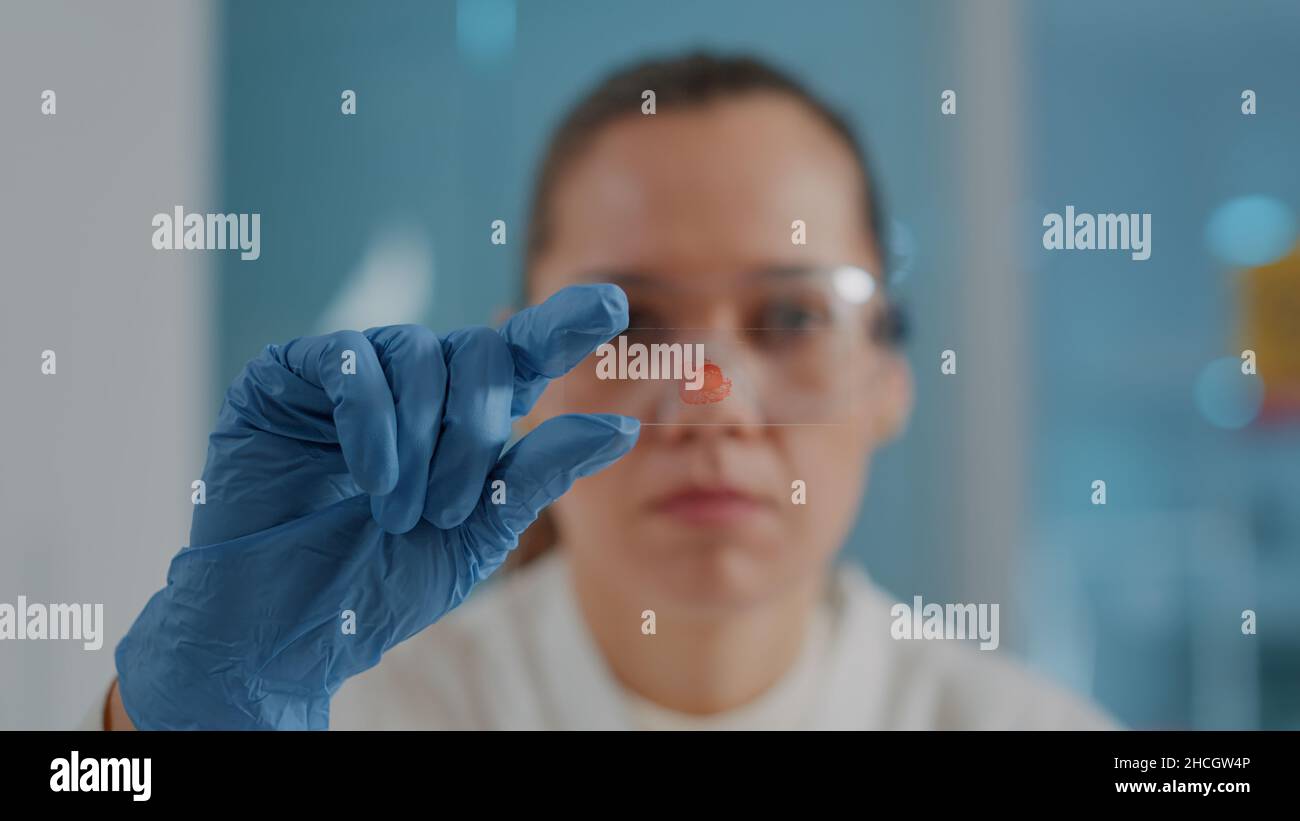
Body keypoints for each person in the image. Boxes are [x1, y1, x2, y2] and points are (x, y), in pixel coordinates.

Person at [91, 52, 1117, 731]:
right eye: (632, 325)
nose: (710, 400)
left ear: (890, 379)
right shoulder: (361, 708)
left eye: (792, 318)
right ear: (514, 371)